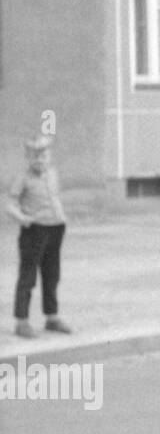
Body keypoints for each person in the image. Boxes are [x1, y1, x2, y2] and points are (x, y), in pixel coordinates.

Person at [8, 135, 73, 339]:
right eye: (34, 155)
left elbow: (55, 197)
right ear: (28, 157)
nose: (39, 159)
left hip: (55, 229)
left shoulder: (52, 174)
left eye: (43, 154)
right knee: (28, 276)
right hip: (34, 231)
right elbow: (9, 205)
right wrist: (23, 218)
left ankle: (52, 317)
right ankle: (22, 321)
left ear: (49, 156)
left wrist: (62, 218)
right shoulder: (23, 177)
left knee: (52, 275)